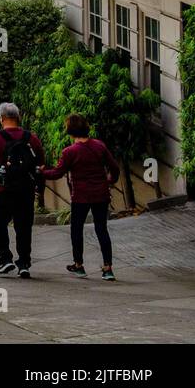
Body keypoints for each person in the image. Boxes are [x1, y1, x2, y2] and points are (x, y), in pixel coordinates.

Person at [42, 114, 120, 282]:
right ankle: (108, 269)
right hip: (101, 194)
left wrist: (41, 172)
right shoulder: (99, 146)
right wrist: (109, 181)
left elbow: (57, 173)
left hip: (81, 196)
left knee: (76, 229)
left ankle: (79, 265)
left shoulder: (69, 152)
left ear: (70, 132)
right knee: (102, 229)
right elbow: (114, 167)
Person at [0, 102, 45, 278]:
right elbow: (41, 163)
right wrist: (39, 185)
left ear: (1, 119)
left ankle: (5, 259)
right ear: (18, 117)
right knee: (24, 226)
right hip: (25, 190)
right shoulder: (32, 137)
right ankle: (24, 263)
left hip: (2, 188)